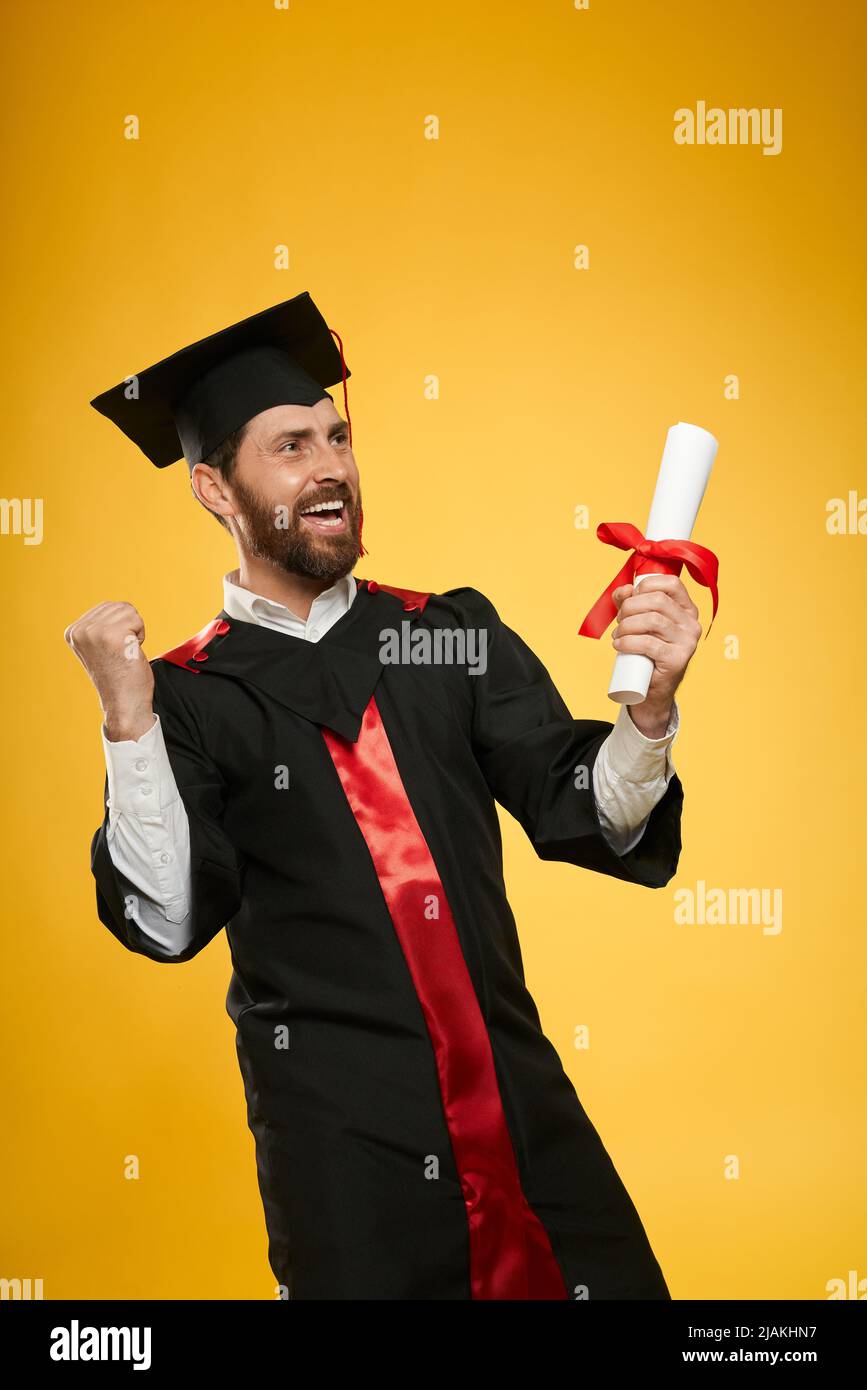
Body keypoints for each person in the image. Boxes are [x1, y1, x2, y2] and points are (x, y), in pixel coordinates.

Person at [65, 291, 701, 1300]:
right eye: (289, 447)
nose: (330, 468)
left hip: (522, 1114)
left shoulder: (445, 633)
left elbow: (589, 809)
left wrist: (651, 710)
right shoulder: (183, 696)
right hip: (345, 1163)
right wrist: (127, 725)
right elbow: (170, 913)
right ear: (214, 489)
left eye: (339, 437)